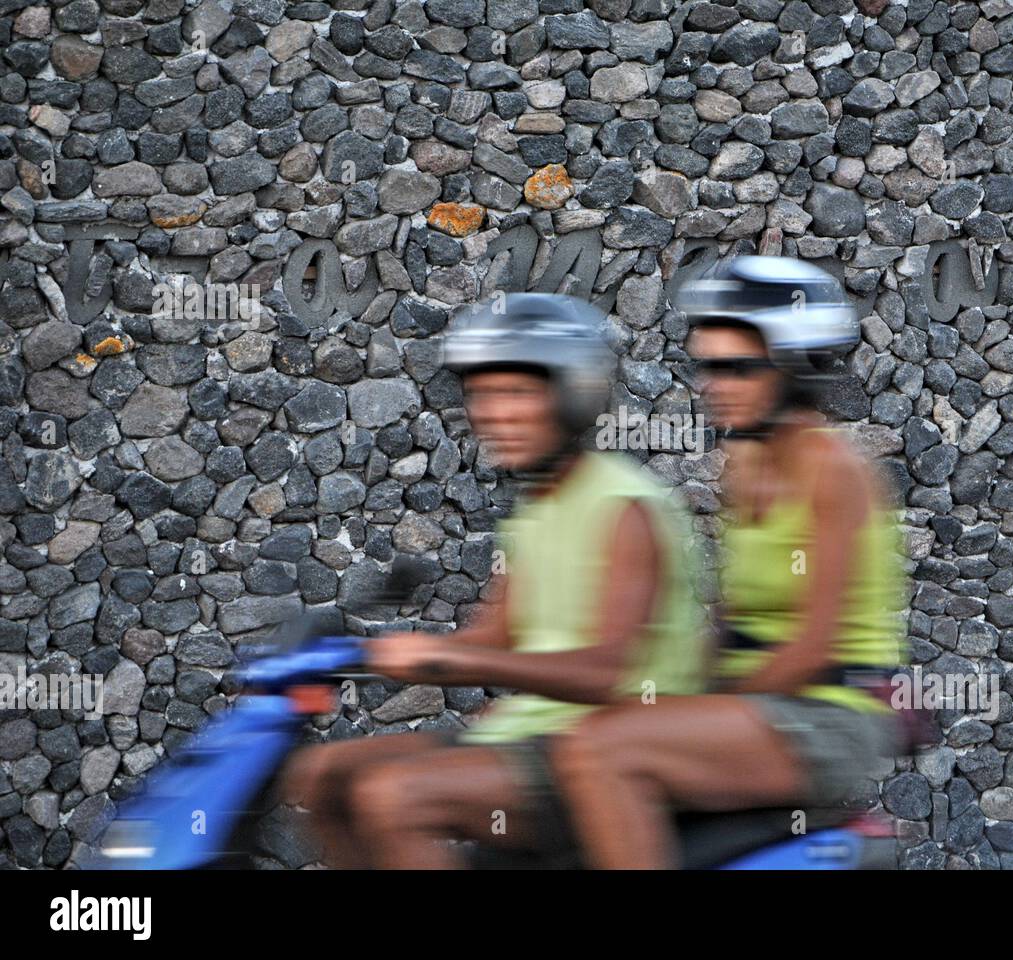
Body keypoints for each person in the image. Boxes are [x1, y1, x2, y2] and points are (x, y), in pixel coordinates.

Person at [278, 292, 706, 868]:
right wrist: (369, 652)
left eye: (516, 392)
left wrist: (444, 663)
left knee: (394, 797)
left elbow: (609, 673)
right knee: (321, 775)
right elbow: (493, 637)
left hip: (610, 746)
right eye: (481, 394)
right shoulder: (539, 508)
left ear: (574, 393)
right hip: (536, 734)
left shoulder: (624, 505)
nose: (493, 413)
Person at [549, 256, 911, 869]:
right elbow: (733, 622)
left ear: (794, 369)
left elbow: (810, 646)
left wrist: (690, 709)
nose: (712, 385)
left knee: (599, 752)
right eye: (706, 366)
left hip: (826, 713)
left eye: (736, 368)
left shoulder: (836, 470)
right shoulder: (746, 465)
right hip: (759, 703)